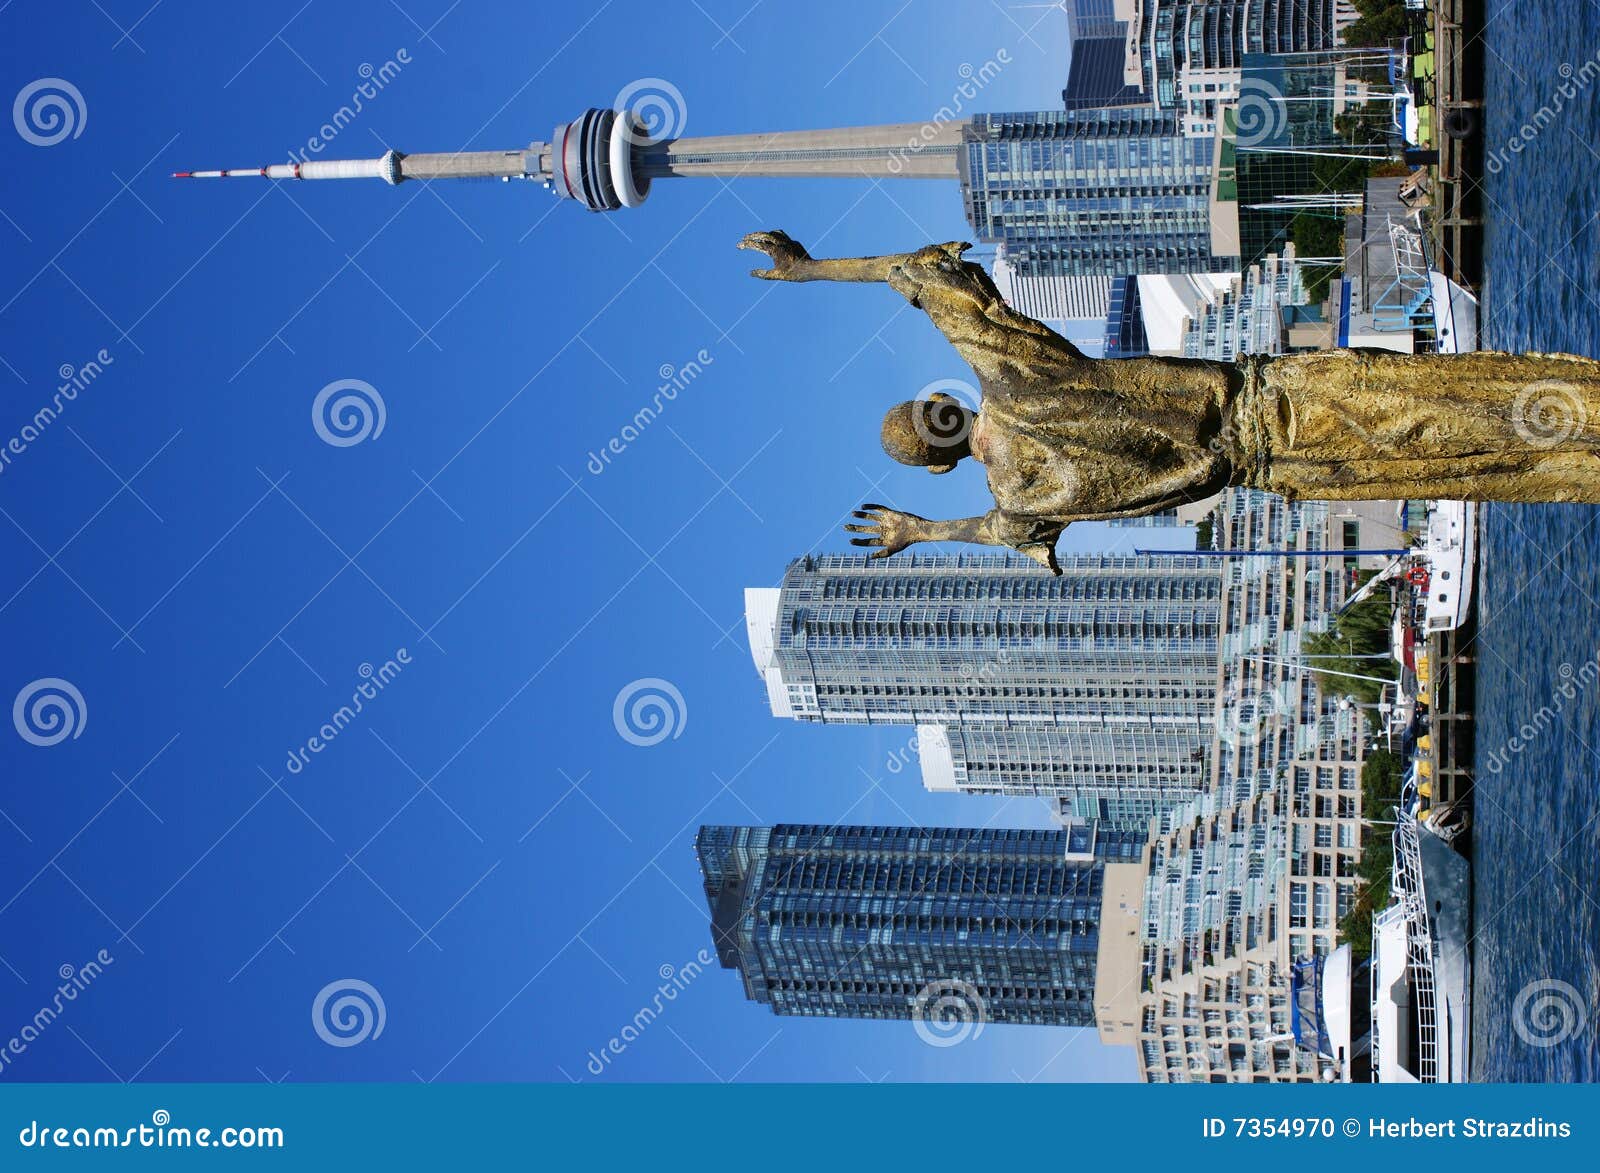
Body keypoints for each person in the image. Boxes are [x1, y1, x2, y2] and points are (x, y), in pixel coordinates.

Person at [739, 230, 1600, 573]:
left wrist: (920, 531)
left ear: (936, 463)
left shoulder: (1021, 497)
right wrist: (812, 269)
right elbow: (919, 275)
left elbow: (1001, 535)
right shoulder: (1010, 372)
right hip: (1277, 392)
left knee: (1456, 453)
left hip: (1282, 464)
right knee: (1453, 397)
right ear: (944, 411)